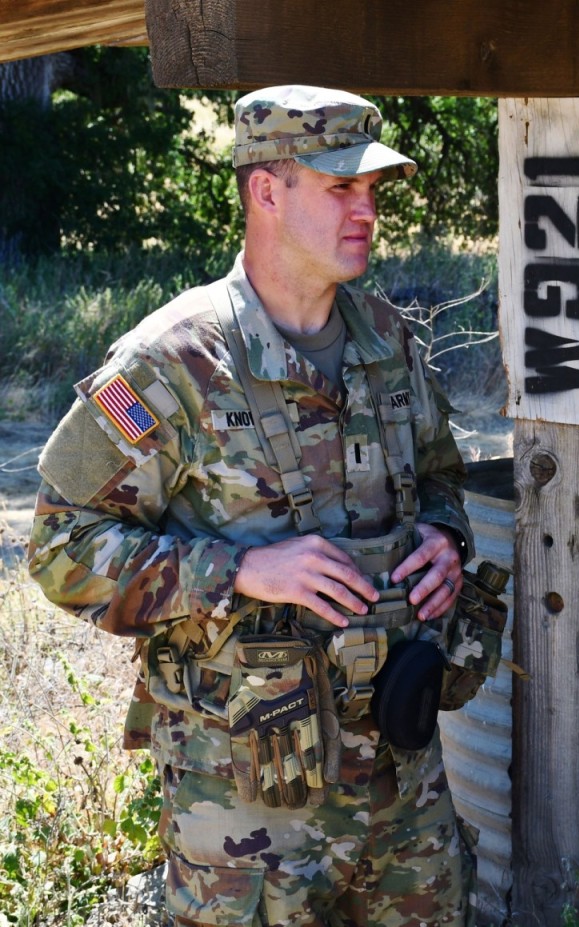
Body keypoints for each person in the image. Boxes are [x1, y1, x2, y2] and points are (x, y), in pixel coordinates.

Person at [27, 85, 482, 925]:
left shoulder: (391, 343)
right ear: (266, 190)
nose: (366, 211)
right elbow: (58, 546)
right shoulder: (170, 362)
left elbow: (444, 477)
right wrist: (239, 571)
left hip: (401, 778)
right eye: (341, 187)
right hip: (247, 808)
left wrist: (445, 538)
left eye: (373, 191)